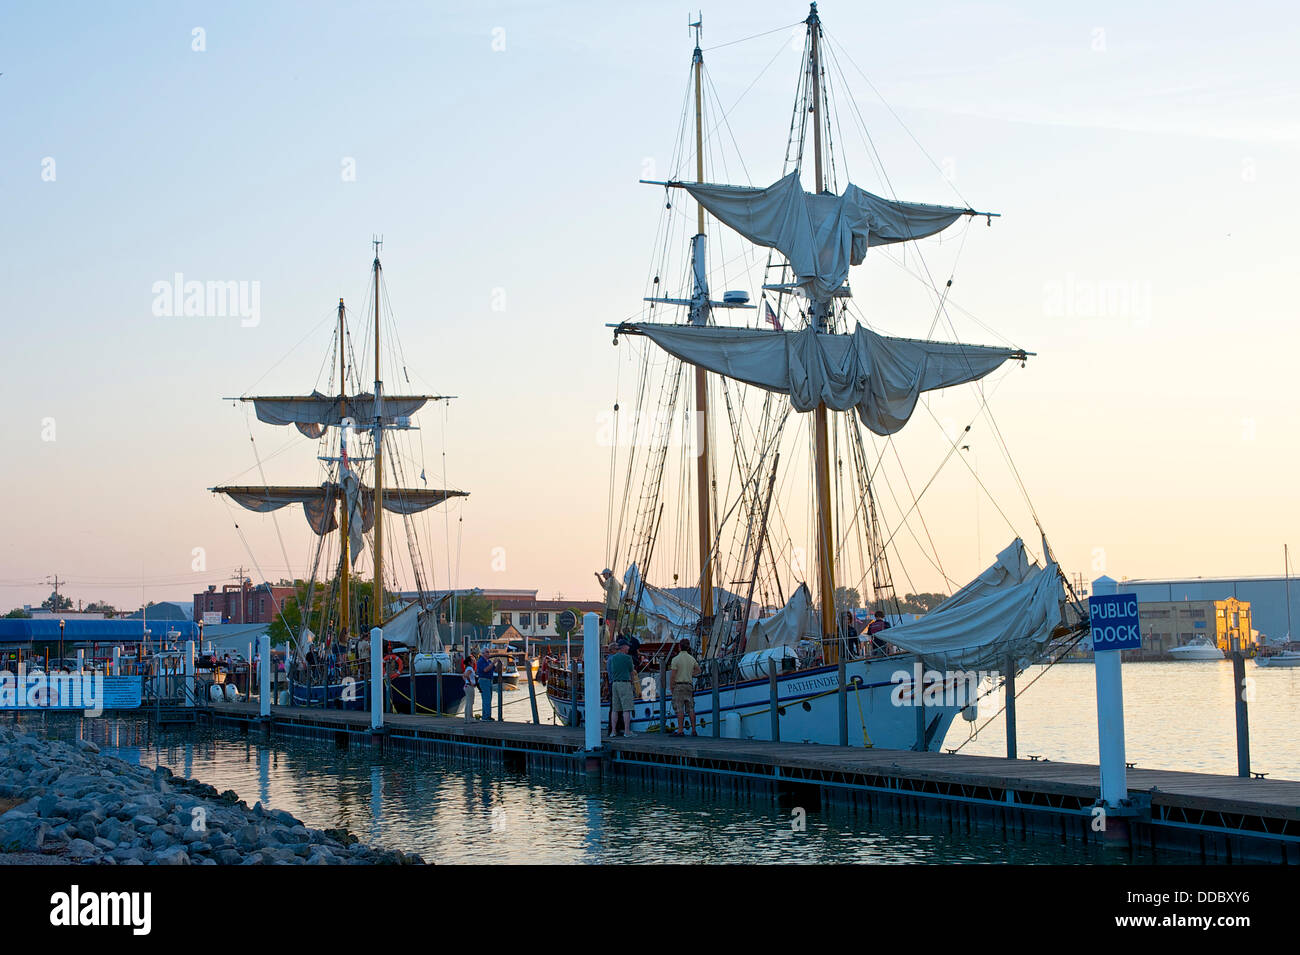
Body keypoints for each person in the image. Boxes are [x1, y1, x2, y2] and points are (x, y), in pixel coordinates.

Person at [669, 639, 700, 736]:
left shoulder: (675, 659)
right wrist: (690, 674)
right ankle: (694, 730)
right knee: (690, 708)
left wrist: (671, 686)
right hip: (689, 685)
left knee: (679, 708)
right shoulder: (691, 658)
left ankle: (680, 730)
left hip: (679, 685)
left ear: (679, 647)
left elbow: (673, 675)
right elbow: (699, 670)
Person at [607, 641, 636, 737]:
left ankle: (613, 731)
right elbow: (631, 672)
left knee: (615, 709)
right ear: (623, 647)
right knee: (626, 708)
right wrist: (633, 685)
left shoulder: (613, 658)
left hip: (615, 683)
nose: (628, 649)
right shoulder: (628, 658)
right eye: (627, 647)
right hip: (624, 683)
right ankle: (627, 731)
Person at [597, 568, 623, 642]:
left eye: (604, 575)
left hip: (611, 605)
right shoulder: (615, 580)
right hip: (616, 604)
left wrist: (598, 576)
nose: (603, 577)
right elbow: (621, 587)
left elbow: (603, 585)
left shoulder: (610, 580)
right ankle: (620, 634)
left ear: (607, 574)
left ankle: (611, 641)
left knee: (611, 624)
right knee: (615, 622)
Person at [475, 648, 495, 720]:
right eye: (487, 652)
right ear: (483, 653)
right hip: (484, 680)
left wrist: (498, 663)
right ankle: (486, 716)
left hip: (490, 680)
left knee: (488, 699)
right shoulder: (480, 661)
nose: (488, 653)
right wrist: (493, 663)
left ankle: (486, 715)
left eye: (489, 652)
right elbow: (485, 670)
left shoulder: (489, 661)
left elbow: (494, 669)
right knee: (486, 699)